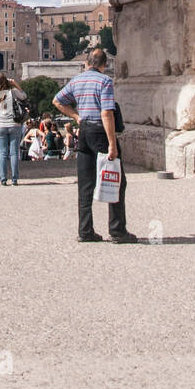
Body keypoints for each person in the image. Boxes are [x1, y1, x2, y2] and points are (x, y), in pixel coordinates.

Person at [53, 48, 137, 244]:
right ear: (104, 65)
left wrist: (76, 117)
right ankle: (117, 230)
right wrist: (112, 144)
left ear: (87, 63)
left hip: (84, 132)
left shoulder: (77, 80)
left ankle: (85, 230)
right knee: (116, 180)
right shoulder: (105, 81)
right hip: (100, 132)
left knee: (85, 183)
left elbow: (57, 100)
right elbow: (106, 113)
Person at [0, 73, 27, 186]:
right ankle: (14, 179)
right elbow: (24, 96)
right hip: (14, 124)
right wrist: (16, 84)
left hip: (1, 124)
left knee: (3, 153)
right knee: (14, 152)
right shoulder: (13, 92)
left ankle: (3, 179)